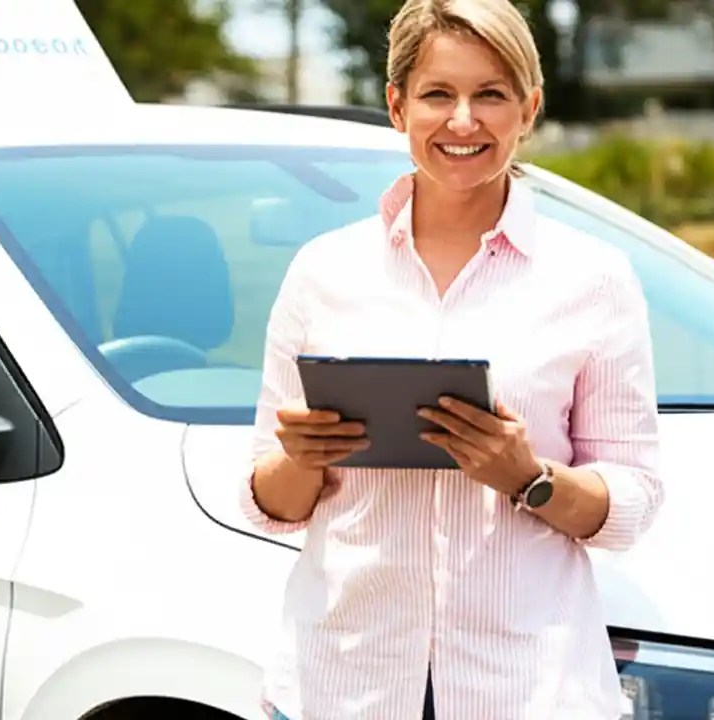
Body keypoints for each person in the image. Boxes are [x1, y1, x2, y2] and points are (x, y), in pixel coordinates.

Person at [239, 0, 664, 718]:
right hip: (340, 687)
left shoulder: (594, 279)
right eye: (439, 94)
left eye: (490, 94)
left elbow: (634, 500)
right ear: (397, 107)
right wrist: (304, 456)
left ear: (528, 109)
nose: (463, 121)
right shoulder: (324, 272)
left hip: (527, 691)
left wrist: (527, 479)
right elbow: (270, 503)